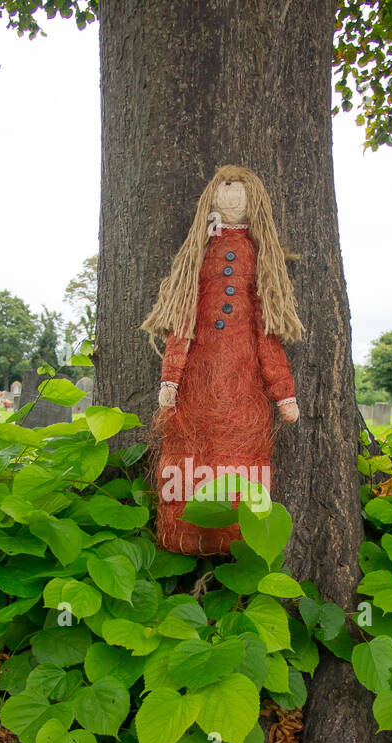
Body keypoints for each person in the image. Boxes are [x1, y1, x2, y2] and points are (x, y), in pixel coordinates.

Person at [141, 165, 301, 555]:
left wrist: (284, 394)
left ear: (254, 200)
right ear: (212, 196)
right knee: (187, 459)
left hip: (245, 388)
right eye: (224, 185)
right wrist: (170, 378)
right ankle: (183, 536)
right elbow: (182, 322)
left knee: (240, 461)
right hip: (196, 385)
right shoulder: (200, 254)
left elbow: (269, 336)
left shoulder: (259, 261)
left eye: (240, 187)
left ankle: (238, 541)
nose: (231, 193)